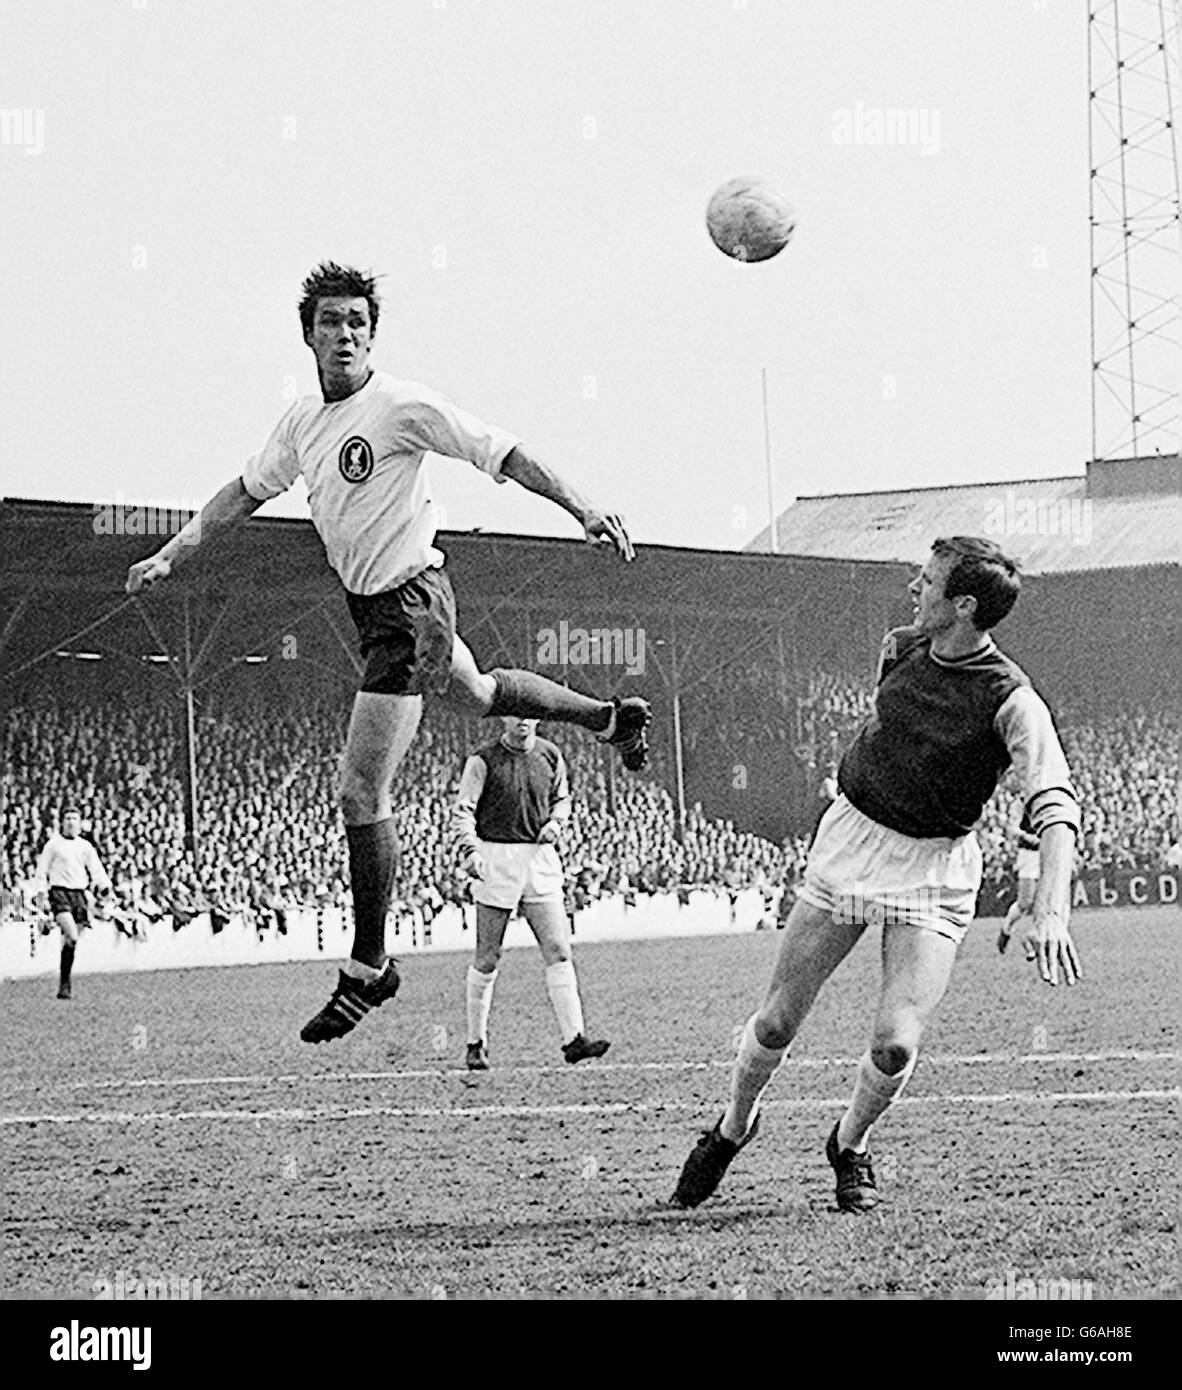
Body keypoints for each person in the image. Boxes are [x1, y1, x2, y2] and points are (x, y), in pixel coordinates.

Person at [125, 261, 651, 1044]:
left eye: (358, 324)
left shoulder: (401, 405)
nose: (346, 335)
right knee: (477, 694)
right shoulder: (303, 423)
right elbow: (242, 493)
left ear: (373, 335)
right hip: (375, 612)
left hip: (411, 605)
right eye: (332, 322)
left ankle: (370, 967)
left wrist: (583, 505)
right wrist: (173, 553)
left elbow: (500, 452)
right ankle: (609, 719)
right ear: (308, 334)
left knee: (358, 792)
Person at [671, 537, 1082, 1215]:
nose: (914, 591)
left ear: (963, 605)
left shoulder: (1012, 699)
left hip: (934, 867)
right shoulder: (899, 646)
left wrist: (1052, 909)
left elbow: (1056, 803)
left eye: (926, 583)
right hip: (851, 843)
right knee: (775, 1024)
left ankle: (850, 1143)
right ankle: (732, 1127)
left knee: (894, 1045)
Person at [452, 717, 609, 1070]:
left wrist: (555, 823)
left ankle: (574, 1039)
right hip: (496, 856)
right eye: (515, 712)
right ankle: (475, 1043)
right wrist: (471, 851)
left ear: (537, 717)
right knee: (488, 956)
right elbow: (464, 810)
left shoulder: (550, 755)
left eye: (529, 713)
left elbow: (562, 800)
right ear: (504, 717)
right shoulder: (483, 760)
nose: (522, 719)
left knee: (558, 949)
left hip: (538, 858)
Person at [34, 807, 112, 1000]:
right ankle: (65, 982)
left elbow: (97, 870)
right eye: (67, 818)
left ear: (80, 823)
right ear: (62, 822)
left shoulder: (85, 846)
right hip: (59, 892)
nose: (70, 822)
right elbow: (41, 872)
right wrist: (41, 899)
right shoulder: (53, 845)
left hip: (79, 895)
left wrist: (105, 887)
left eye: (74, 818)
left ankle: (64, 983)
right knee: (72, 934)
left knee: (71, 941)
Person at [996, 811, 1041, 956]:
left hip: (1048, 851)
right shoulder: (1023, 802)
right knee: (1024, 903)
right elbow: (1012, 828)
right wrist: (1028, 837)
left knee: (1047, 899)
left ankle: (1034, 939)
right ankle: (1006, 929)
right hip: (1029, 855)